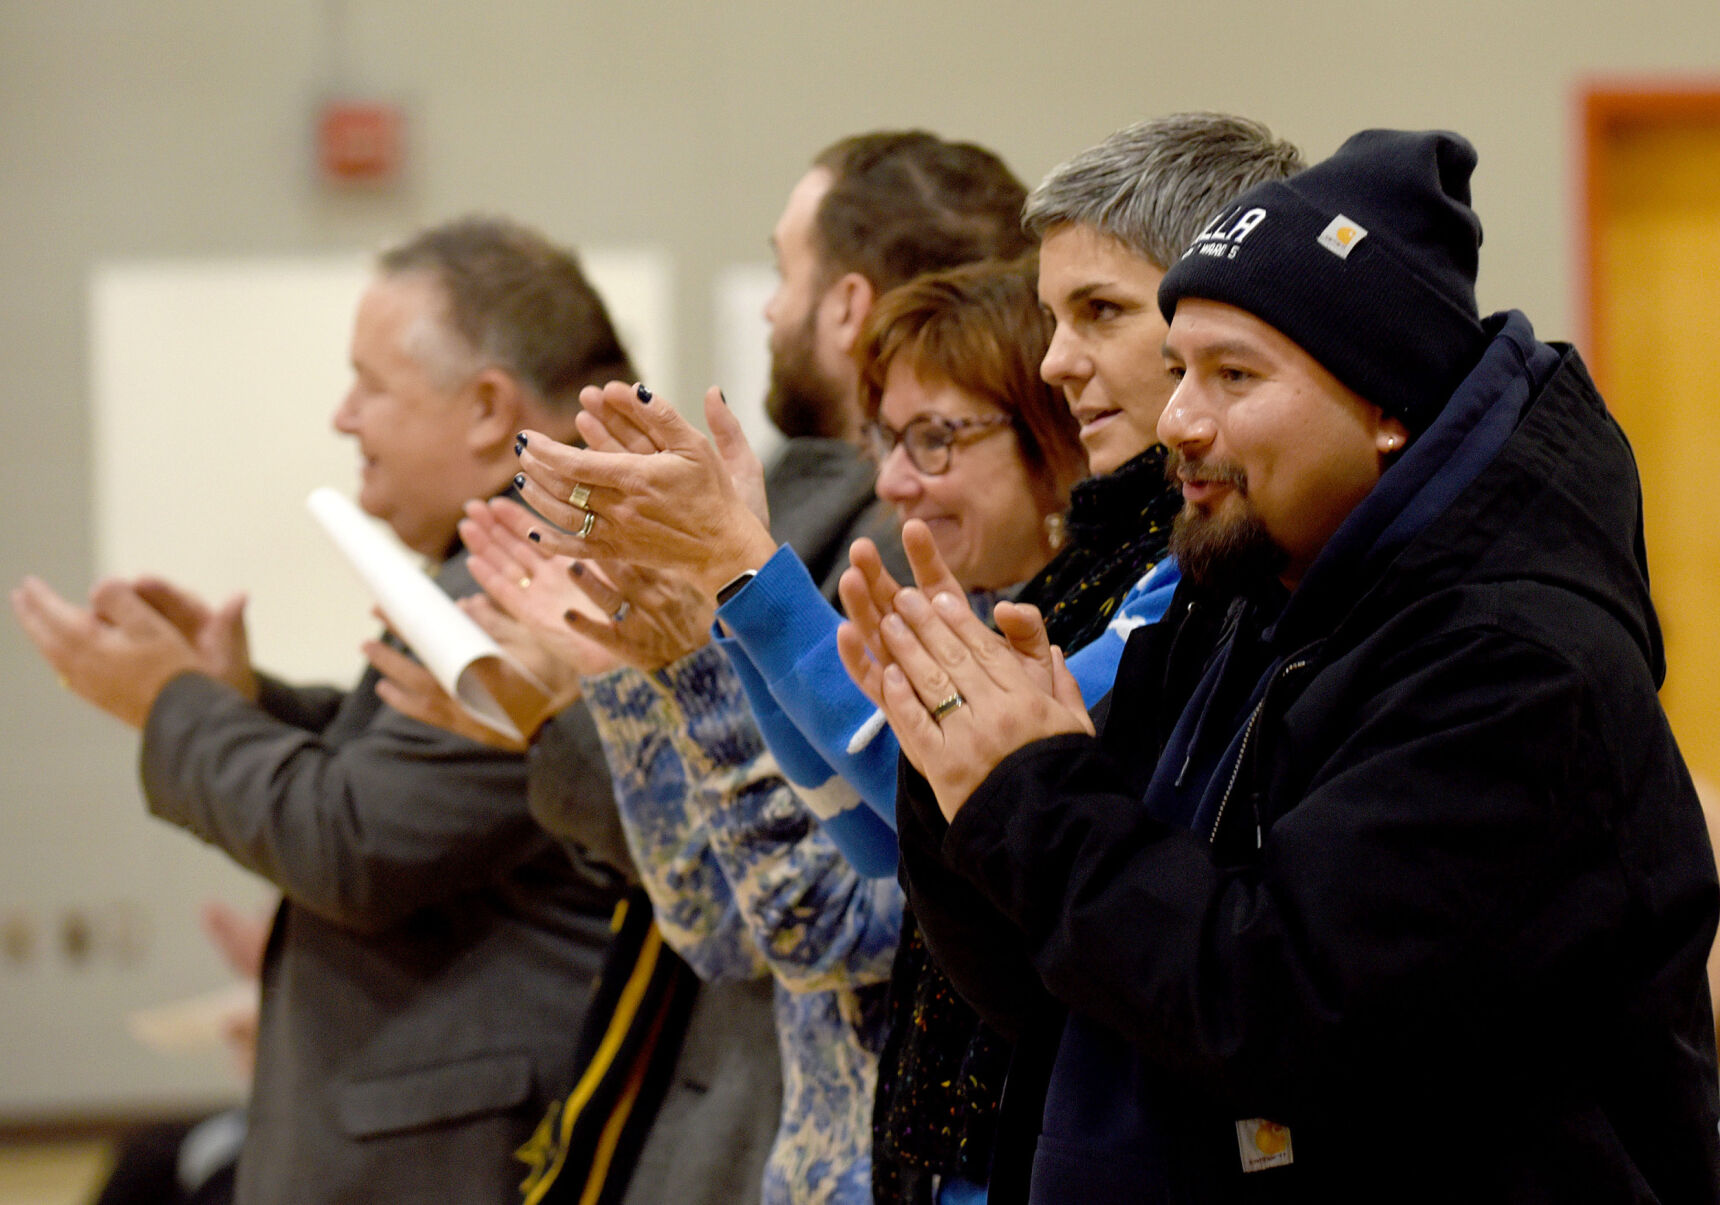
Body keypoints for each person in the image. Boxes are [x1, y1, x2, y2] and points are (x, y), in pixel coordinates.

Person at [841, 129, 1720, 1201]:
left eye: (1231, 375)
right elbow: (1070, 984)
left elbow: (1276, 1007)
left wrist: (1029, 788)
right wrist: (961, 776)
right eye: (1179, 369)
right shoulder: (1248, 597)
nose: (1178, 421)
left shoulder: (1515, 669)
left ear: (1384, 406)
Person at [12, 216, 639, 1204]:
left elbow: (352, 837)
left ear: (486, 409)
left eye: (372, 385)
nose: (346, 417)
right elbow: (407, 766)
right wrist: (244, 700)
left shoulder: (536, 573)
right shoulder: (532, 543)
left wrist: (167, 701)